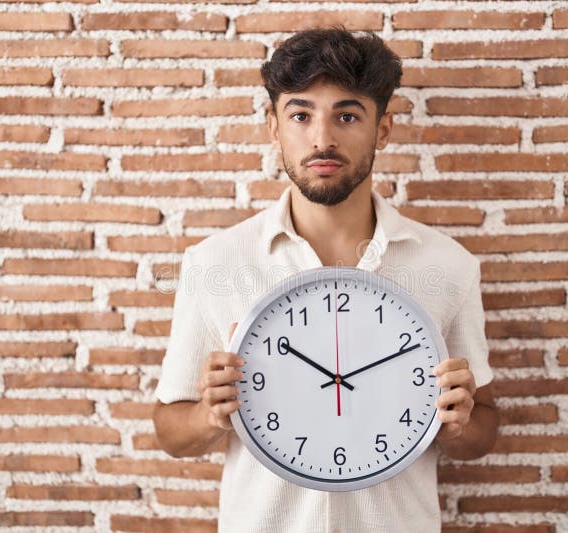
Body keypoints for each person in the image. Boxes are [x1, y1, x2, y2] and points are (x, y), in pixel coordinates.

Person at [153, 27, 499, 533]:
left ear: (382, 129)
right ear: (274, 127)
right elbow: (168, 429)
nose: (322, 139)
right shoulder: (214, 262)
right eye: (300, 115)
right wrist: (209, 415)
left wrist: (459, 424)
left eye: (347, 115)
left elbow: (484, 428)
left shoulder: (448, 265)